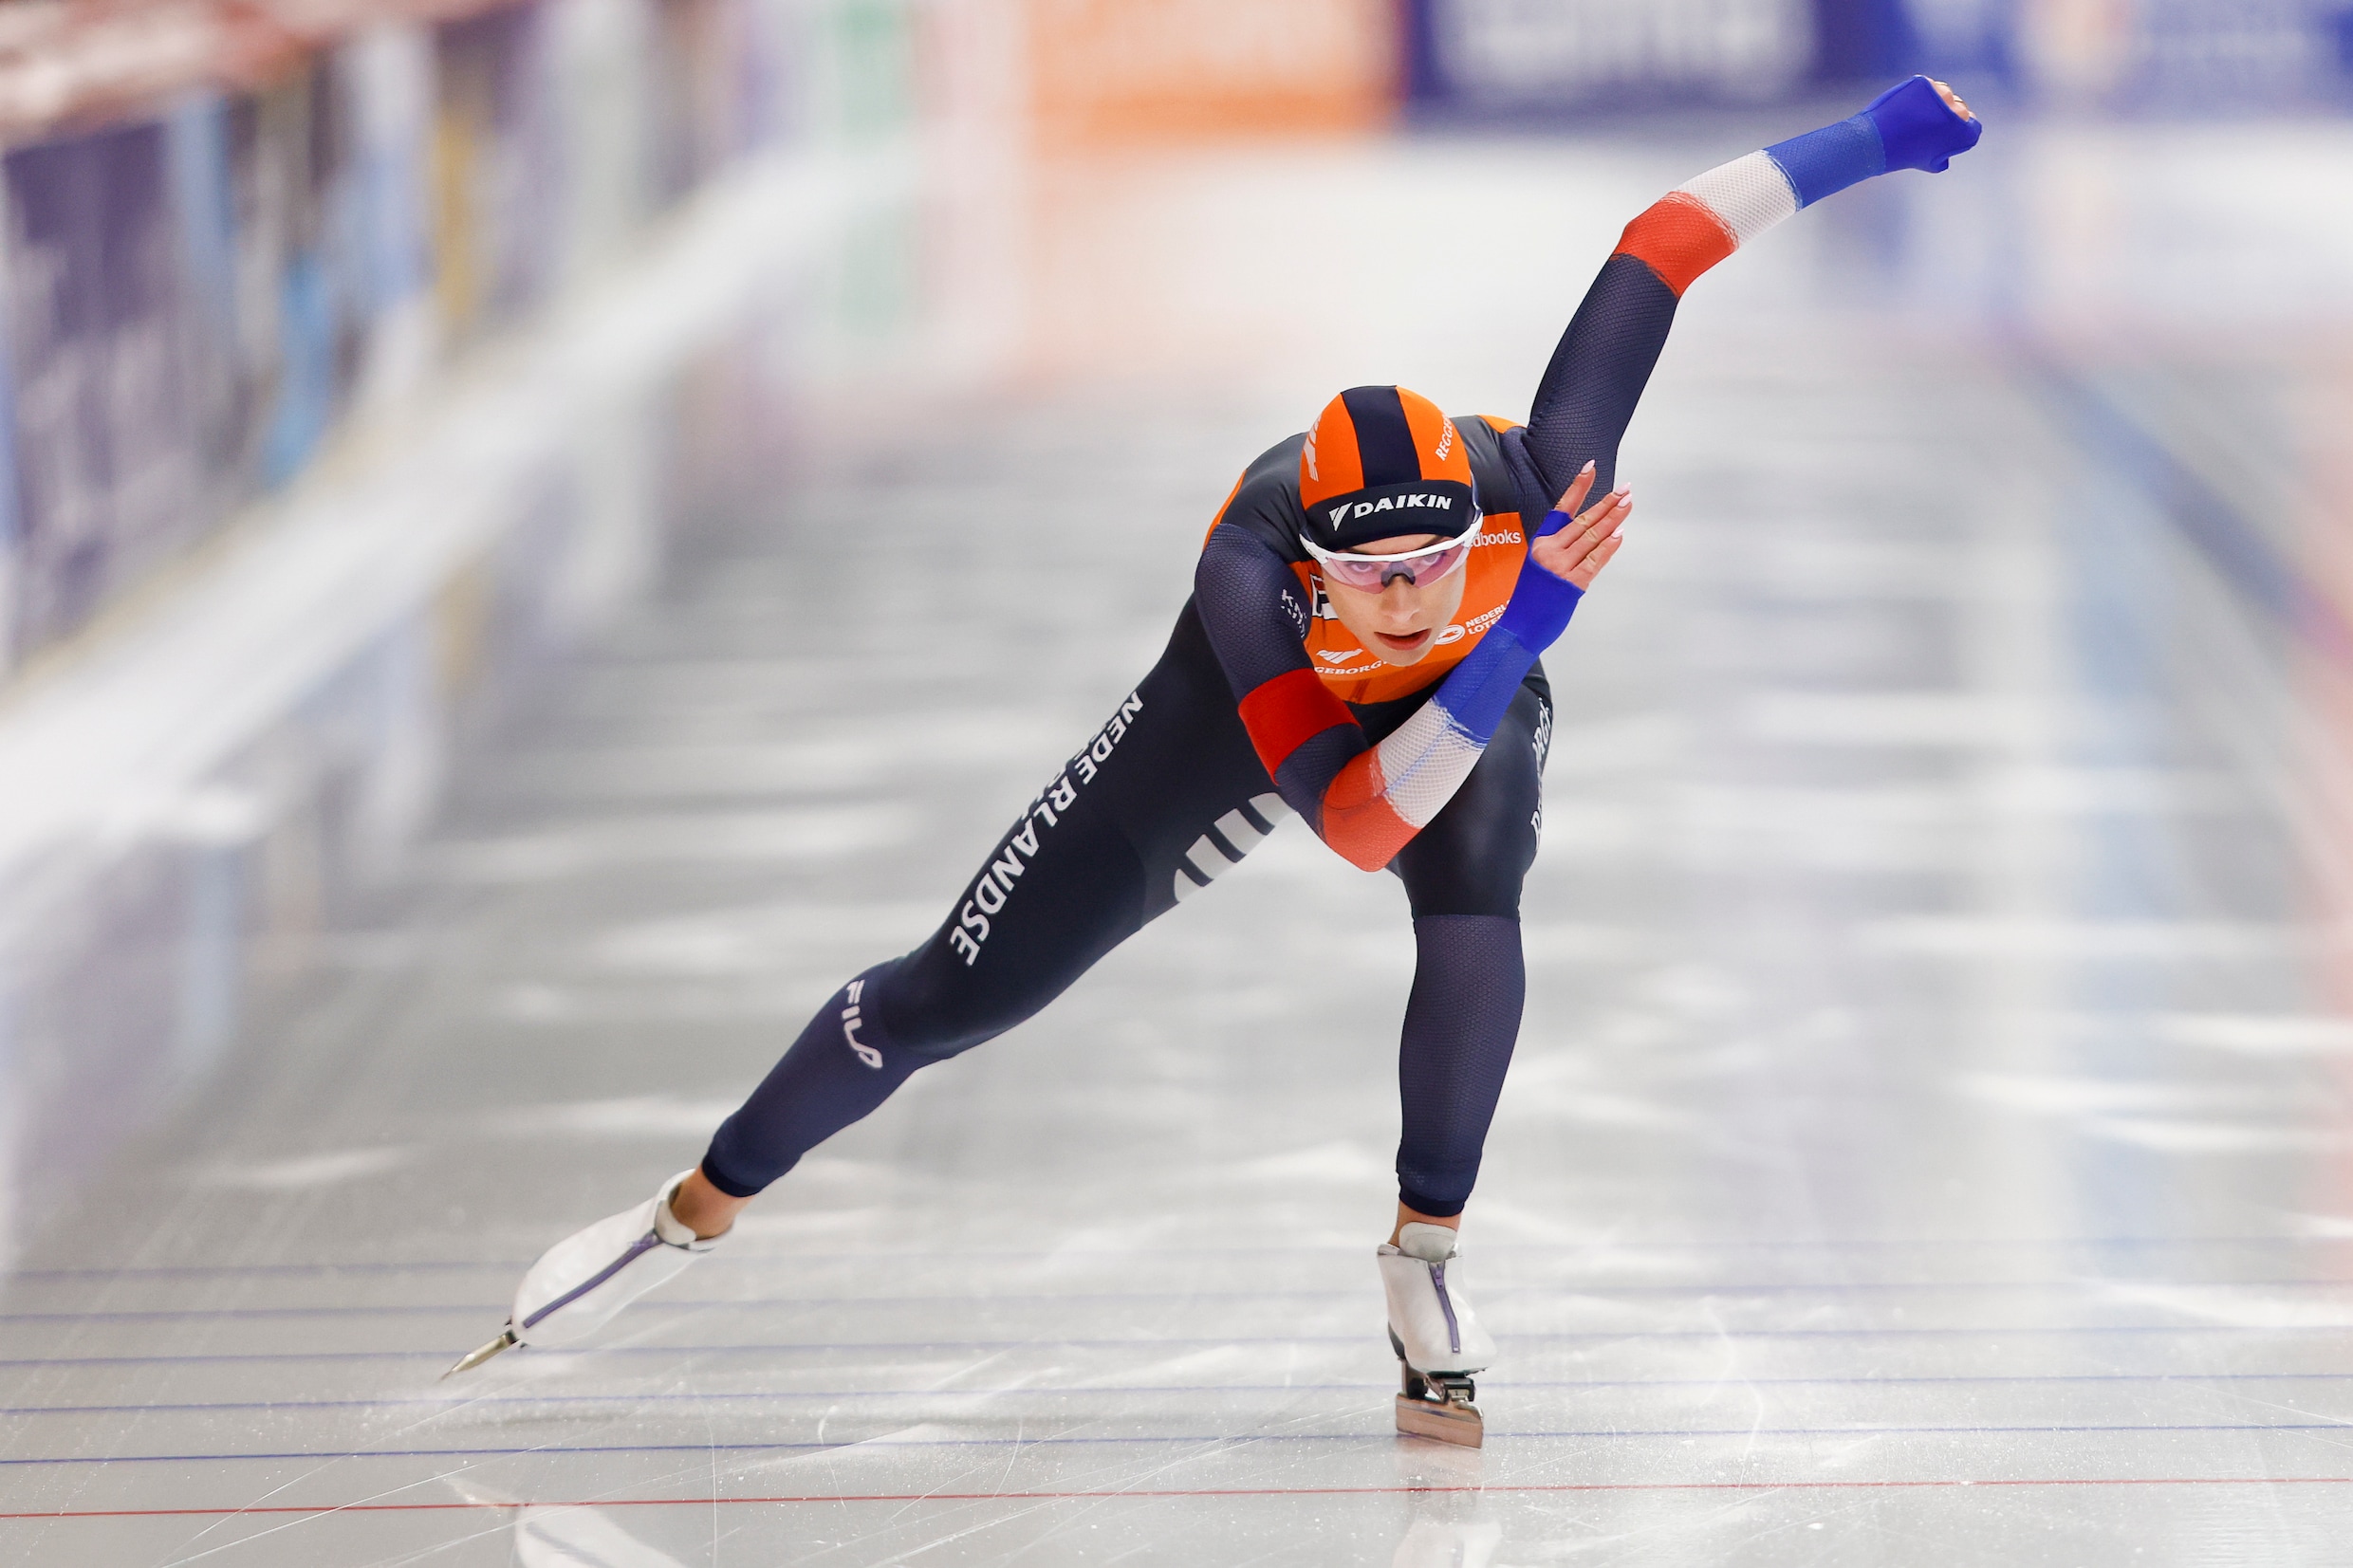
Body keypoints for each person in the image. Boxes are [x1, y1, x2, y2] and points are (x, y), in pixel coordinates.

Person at [449, 76, 1983, 1443]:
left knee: (1482, 878)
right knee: (953, 995)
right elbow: (1360, 825)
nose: (1402, 599)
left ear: (1474, 517)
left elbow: (1665, 239)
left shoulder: (1540, 481)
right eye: (1368, 580)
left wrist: (1878, 137)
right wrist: (1517, 626)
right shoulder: (1247, 583)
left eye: (1432, 566)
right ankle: (692, 1209)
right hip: (1264, 727)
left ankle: (1423, 1255)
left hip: (1475, 702)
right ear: (1311, 561)